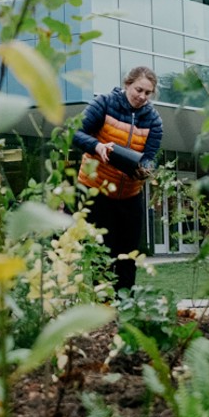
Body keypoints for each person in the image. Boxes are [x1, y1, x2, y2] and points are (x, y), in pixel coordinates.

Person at [73, 66, 164, 293]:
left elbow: (150, 158)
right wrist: (97, 146)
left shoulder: (153, 120)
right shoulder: (104, 103)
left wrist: (146, 170)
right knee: (102, 251)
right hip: (97, 189)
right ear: (127, 84)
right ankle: (101, 304)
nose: (142, 96)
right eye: (138, 90)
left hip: (129, 195)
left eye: (147, 93)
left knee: (127, 254)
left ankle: (125, 303)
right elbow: (75, 133)